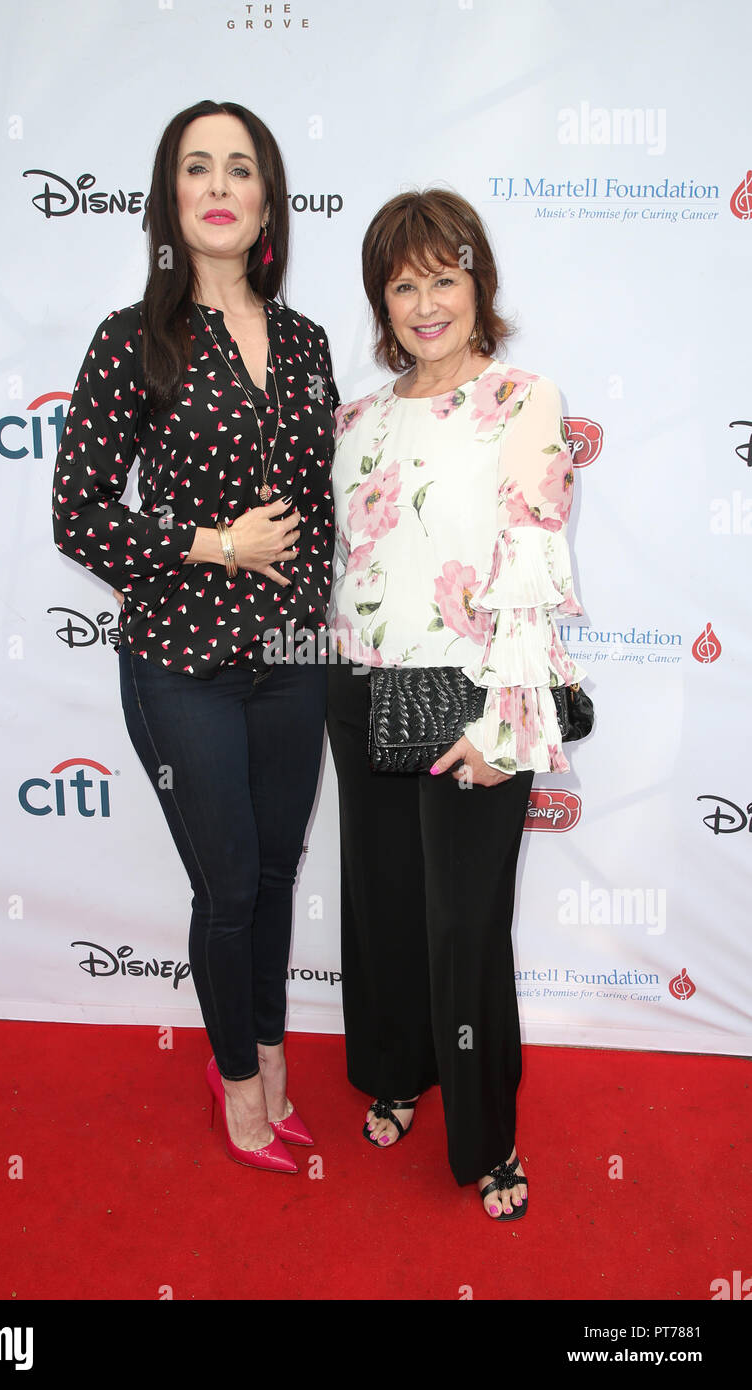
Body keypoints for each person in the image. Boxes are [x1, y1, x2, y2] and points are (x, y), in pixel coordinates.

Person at [52, 100, 339, 1174]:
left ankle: (268, 1051)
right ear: (171, 199)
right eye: (195, 168)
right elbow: (77, 516)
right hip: (181, 665)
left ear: (268, 199)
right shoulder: (135, 340)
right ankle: (235, 1086)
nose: (219, 185)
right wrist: (216, 544)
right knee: (225, 888)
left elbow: (319, 502)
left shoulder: (308, 341)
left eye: (241, 167)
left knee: (274, 875)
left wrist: (311, 605)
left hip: (291, 664)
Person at [325, 188, 586, 1219]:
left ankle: (489, 1139)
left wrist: (507, 724)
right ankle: (396, 1073)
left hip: (477, 695)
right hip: (358, 685)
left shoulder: (525, 399)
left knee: (465, 927)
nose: (425, 302)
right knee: (382, 902)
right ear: (380, 300)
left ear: (480, 283)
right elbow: (349, 561)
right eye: (402, 283)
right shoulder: (357, 417)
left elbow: (533, 557)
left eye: (444, 276)